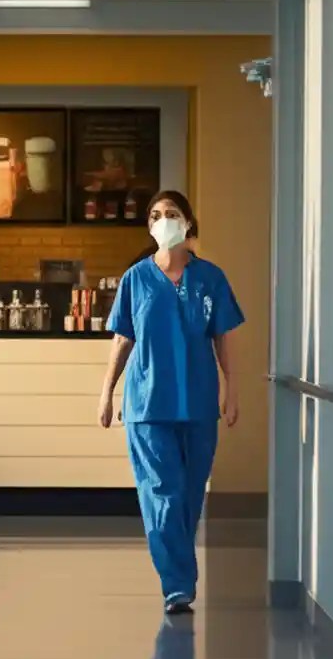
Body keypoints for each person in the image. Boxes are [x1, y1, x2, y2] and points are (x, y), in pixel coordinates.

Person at [97, 190, 244, 615]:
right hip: (148, 407)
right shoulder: (136, 279)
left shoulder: (211, 279)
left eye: (172, 213)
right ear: (149, 226)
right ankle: (177, 584)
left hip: (198, 404)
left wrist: (230, 389)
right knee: (162, 494)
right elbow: (123, 338)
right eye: (156, 215)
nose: (164, 220)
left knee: (189, 495)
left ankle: (178, 573)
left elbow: (222, 338)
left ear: (189, 223)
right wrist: (107, 391)